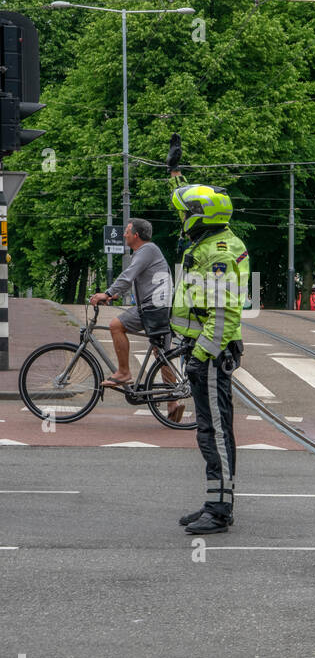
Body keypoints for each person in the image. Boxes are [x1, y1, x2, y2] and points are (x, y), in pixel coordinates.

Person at [171, 184, 250, 535]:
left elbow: (223, 315)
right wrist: (176, 175)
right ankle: (216, 501)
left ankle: (219, 511)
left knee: (215, 433)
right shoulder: (210, 243)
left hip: (212, 355)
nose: (183, 219)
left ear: (201, 217)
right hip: (205, 351)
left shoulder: (217, 253)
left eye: (186, 214)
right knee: (209, 430)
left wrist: (201, 356)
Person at [88, 219, 186, 422]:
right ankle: (173, 403)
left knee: (116, 325)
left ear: (136, 235)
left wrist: (107, 293)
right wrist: (114, 295)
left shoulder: (146, 250)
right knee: (163, 354)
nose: (123, 235)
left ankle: (123, 372)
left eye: (126, 231)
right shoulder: (148, 251)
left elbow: (128, 276)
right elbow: (134, 278)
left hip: (152, 307)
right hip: (161, 307)